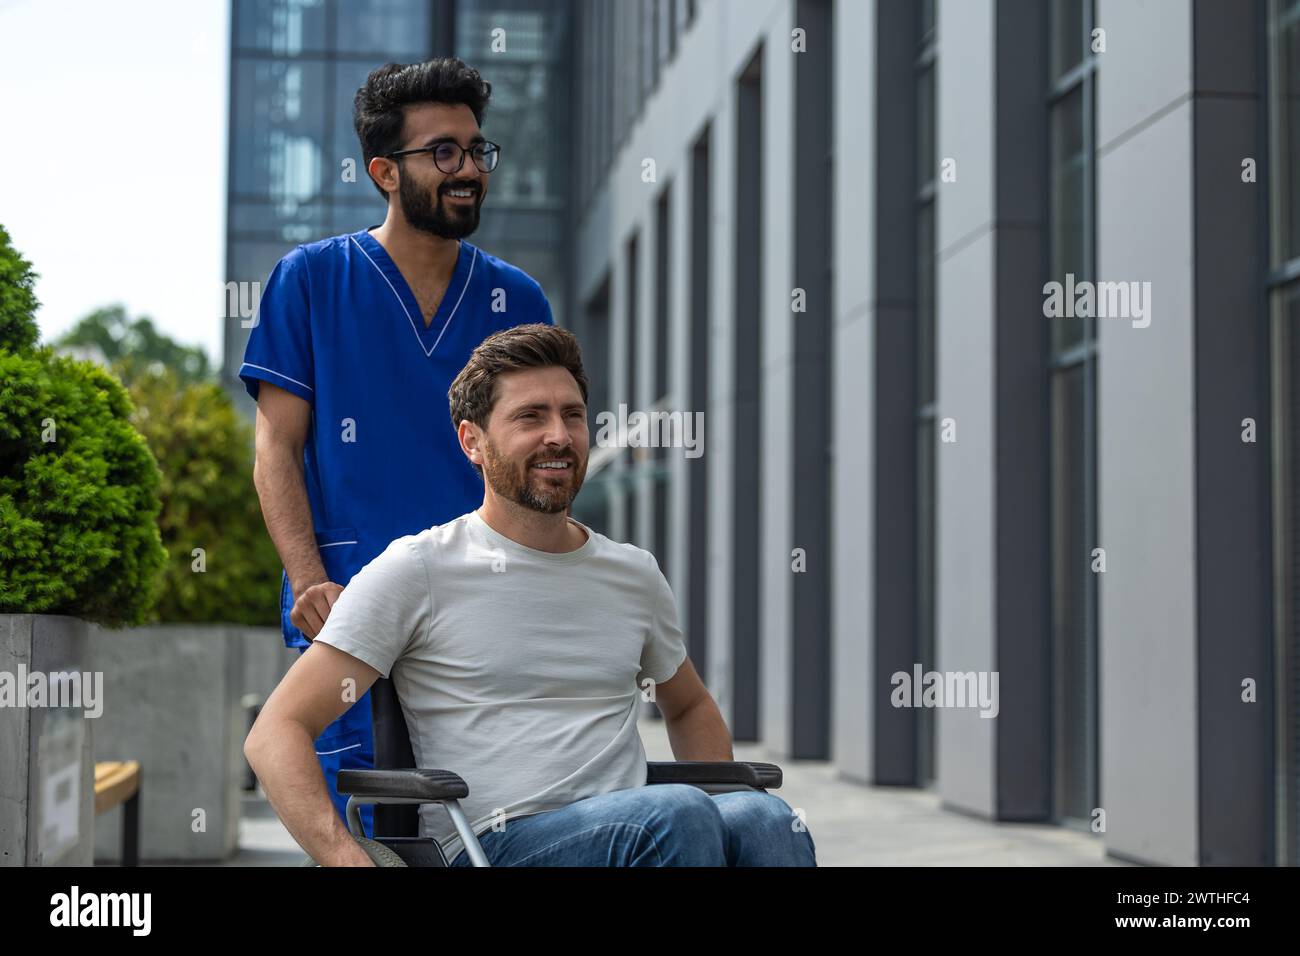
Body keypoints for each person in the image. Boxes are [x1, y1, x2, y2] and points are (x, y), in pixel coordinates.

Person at [244, 324, 817, 867]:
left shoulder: (633, 573)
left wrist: (723, 822)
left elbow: (687, 705)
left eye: (573, 415)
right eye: (530, 417)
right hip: (490, 842)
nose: (559, 436)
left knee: (765, 819)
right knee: (676, 814)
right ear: (472, 441)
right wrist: (347, 859)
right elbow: (275, 732)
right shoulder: (419, 568)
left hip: (637, 825)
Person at [239, 57, 553, 835]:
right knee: (365, 829)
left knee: (496, 823)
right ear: (384, 171)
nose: (469, 169)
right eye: (443, 152)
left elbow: (538, 453)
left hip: (486, 614)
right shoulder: (310, 281)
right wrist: (309, 579)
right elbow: (276, 449)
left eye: (476, 150)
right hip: (350, 607)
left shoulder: (517, 299)